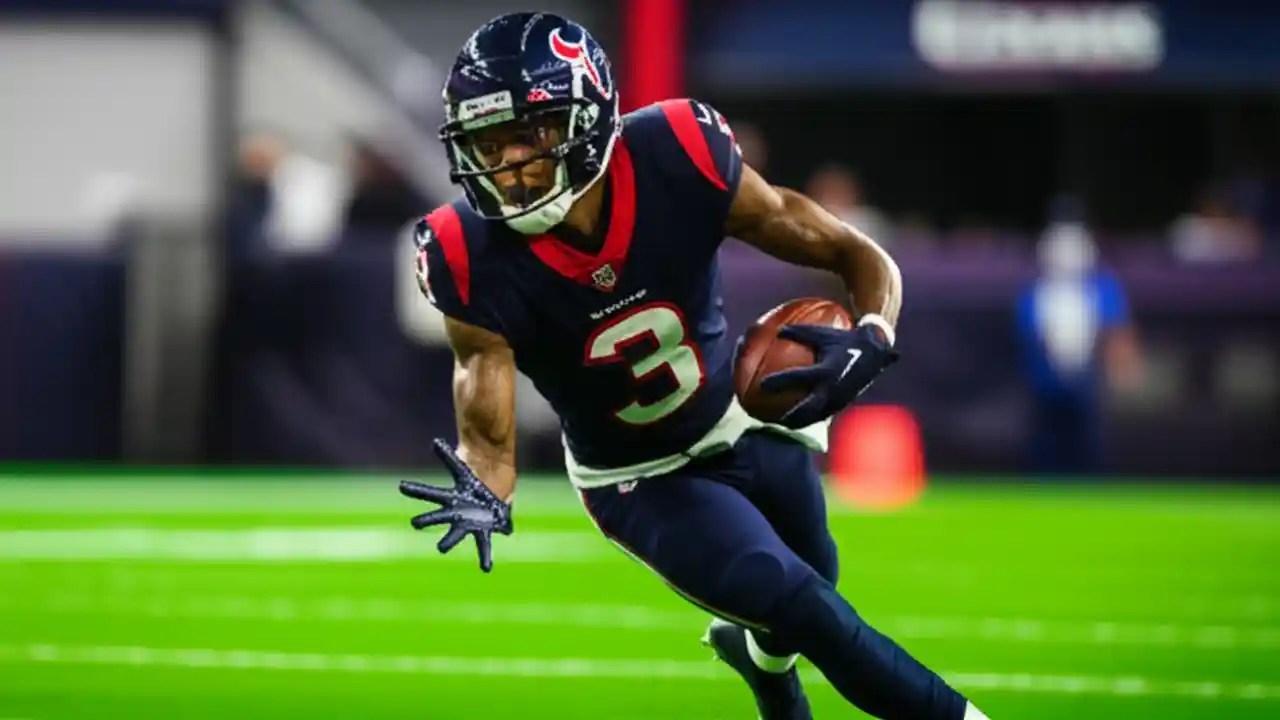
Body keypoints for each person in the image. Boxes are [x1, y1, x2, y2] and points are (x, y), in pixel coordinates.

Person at [399, 12, 989, 720]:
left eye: (529, 136)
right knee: (808, 608)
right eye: (487, 144)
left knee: (813, 576)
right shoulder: (465, 251)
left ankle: (759, 664)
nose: (508, 165)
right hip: (638, 478)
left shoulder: (676, 152)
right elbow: (480, 389)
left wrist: (872, 331)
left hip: (739, 417)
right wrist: (486, 483)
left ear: (587, 116)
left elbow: (852, 252)